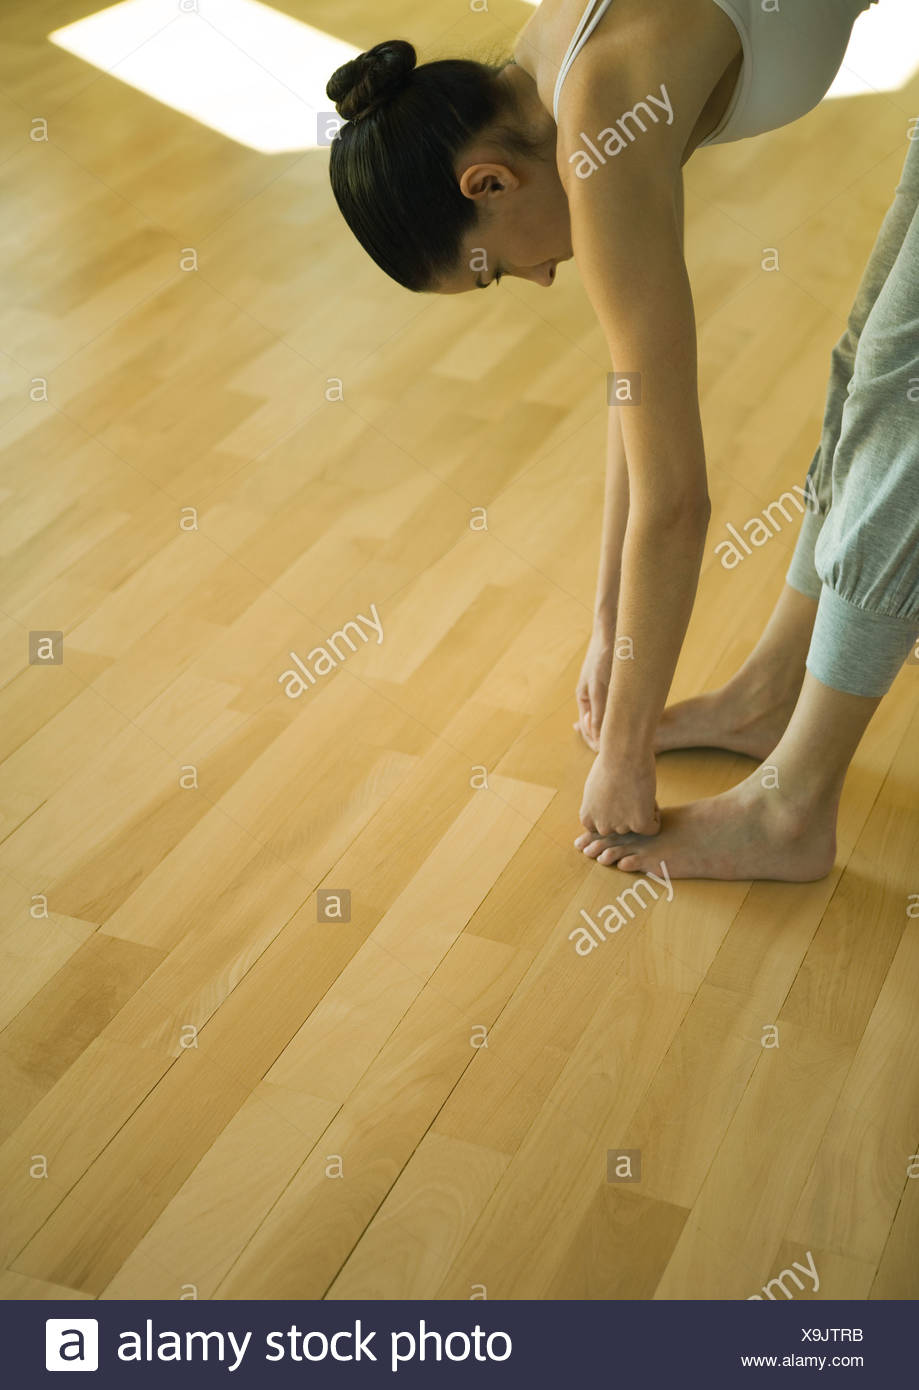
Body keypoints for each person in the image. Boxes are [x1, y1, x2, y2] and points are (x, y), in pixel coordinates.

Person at [325, 0, 919, 882]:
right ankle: (768, 693)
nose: (538, 277)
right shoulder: (548, 68)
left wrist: (627, 752)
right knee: (873, 355)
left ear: (485, 183)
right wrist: (610, 627)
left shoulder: (594, 114)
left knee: (902, 401)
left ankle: (791, 813)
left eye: (491, 270)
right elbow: (639, 397)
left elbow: (677, 506)